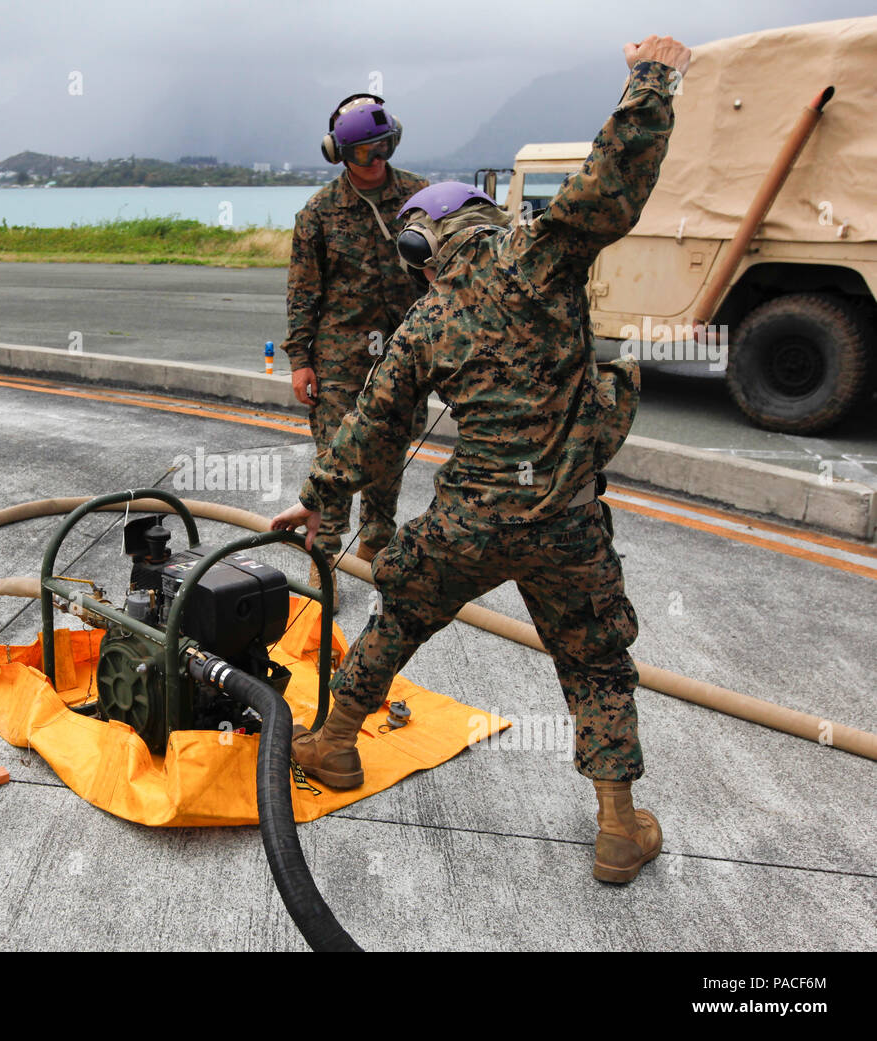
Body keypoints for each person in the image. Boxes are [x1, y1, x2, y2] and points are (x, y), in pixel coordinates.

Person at [272, 35, 692, 884]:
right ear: (489, 222)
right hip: (567, 522)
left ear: (424, 253)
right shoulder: (544, 257)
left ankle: (336, 743)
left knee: (400, 612)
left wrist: (317, 498)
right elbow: (612, 182)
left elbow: (365, 430)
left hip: (470, 519)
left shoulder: (424, 325)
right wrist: (651, 79)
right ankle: (617, 826)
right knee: (598, 660)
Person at [280, 93, 431, 610]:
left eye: (384, 147)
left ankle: (376, 541)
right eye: (364, 152)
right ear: (339, 154)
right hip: (338, 358)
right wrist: (300, 361)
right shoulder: (318, 214)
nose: (377, 162)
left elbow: (451, 266)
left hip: (405, 352)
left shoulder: (421, 197)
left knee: (390, 453)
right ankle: (323, 562)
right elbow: (303, 292)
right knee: (336, 457)